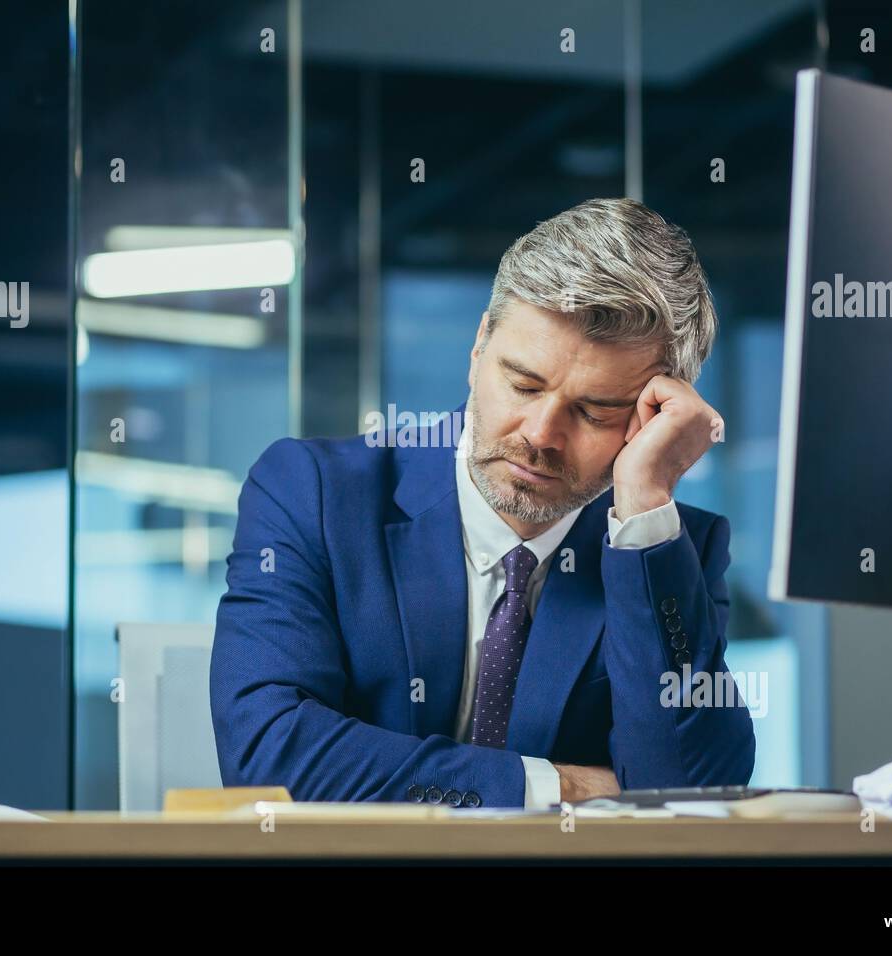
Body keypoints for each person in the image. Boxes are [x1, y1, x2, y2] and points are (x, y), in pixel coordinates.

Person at [210, 197, 756, 808]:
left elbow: (688, 795)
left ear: (651, 416)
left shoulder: (667, 550)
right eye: (522, 383)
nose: (540, 432)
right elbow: (270, 754)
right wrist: (555, 787)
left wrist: (646, 508)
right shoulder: (311, 493)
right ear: (478, 349)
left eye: (594, 411)